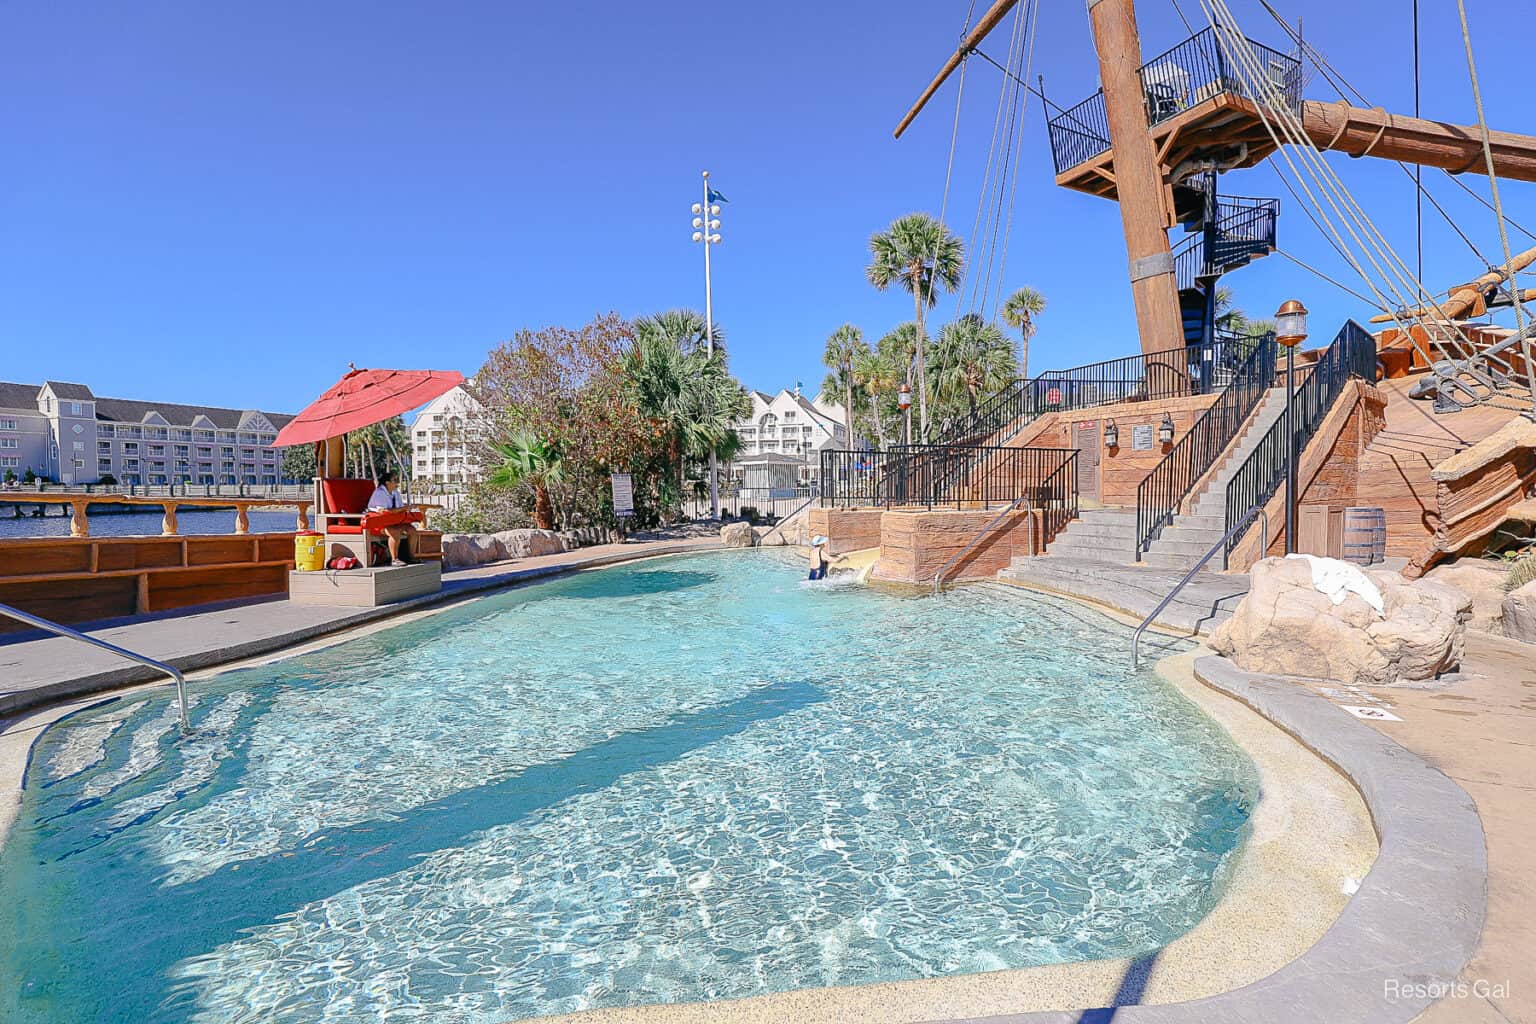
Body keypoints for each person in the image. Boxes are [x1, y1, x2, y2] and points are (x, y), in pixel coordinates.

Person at [367, 471, 417, 567]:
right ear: (387, 482)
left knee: (412, 530)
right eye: (395, 480)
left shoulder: (395, 493)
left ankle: (411, 557)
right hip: (377, 522)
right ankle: (394, 559)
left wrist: (408, 508)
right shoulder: (379, 493)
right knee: (395, 531)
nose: (397, 483)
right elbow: (384, 511)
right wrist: (403, 508)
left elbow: (399, 508)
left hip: (393, 521)